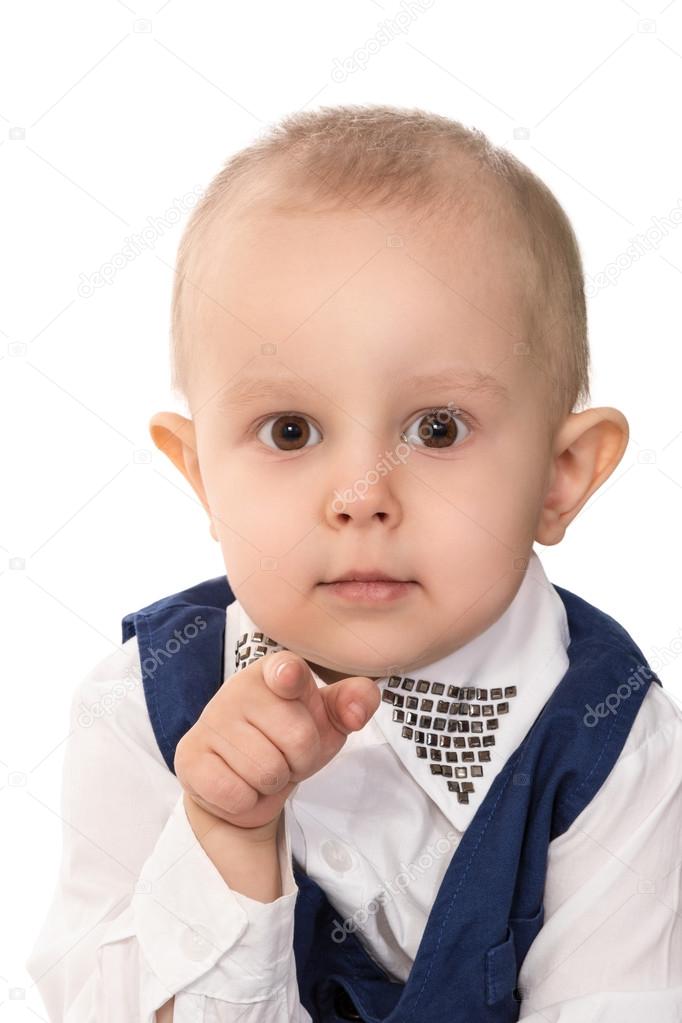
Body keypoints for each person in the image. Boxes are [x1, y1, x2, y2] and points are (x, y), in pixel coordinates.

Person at [26, 105, 682, 1022]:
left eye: (438, 428)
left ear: (559, 477)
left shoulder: (616, 741)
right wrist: (222, 839)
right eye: (290, 430)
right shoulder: (138, 708)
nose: (359, 494)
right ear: (201, 476)